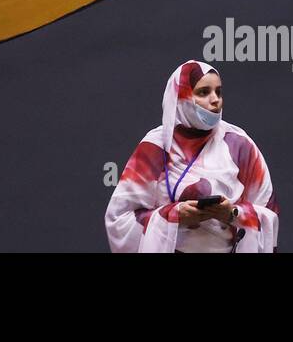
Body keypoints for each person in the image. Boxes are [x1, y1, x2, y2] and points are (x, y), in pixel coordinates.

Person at [105, 59, 280, 252]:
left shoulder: (239, 144)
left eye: (219, 92)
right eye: (204, 92)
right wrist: (174, 216)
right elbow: (119, 219)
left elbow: (269, 215)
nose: (215, 100)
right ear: (181, 97)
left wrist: (232, 213)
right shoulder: (155, 147)